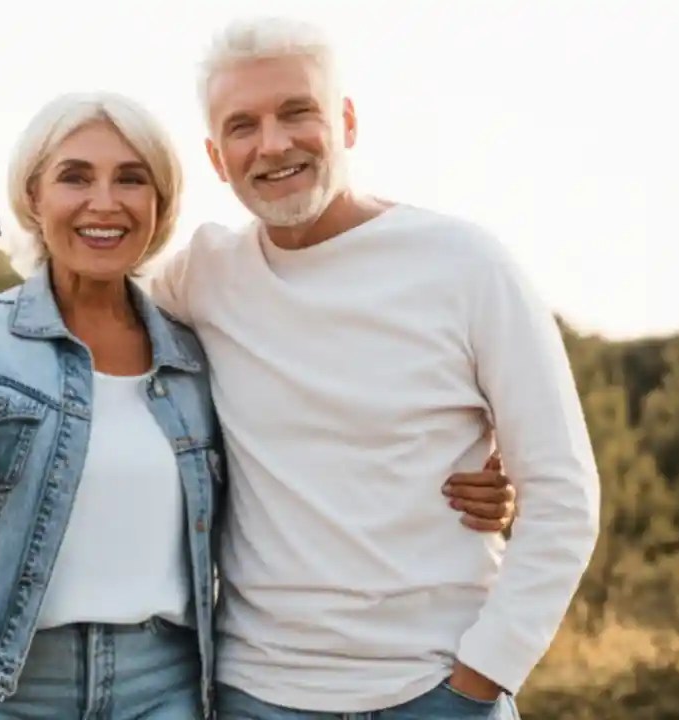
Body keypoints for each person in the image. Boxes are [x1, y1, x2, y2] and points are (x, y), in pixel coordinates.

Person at [0, 89, 518, 717]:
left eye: (130, 179)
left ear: (160, 202)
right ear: (33, 197)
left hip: (164, 680)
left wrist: (457, 474)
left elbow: (304, 453)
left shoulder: (193, 345)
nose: (104, 202)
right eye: (75, 177)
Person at [142, 17, 601, 719]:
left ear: (346, 122)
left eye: (298, 112)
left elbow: (564, 496)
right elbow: (80, 313)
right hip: (257, 694)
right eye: (243, 126)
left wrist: (483, 678)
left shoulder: (466, 265)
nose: (273, 144)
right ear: (216, 156)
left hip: (437, 690)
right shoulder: (203, 276)